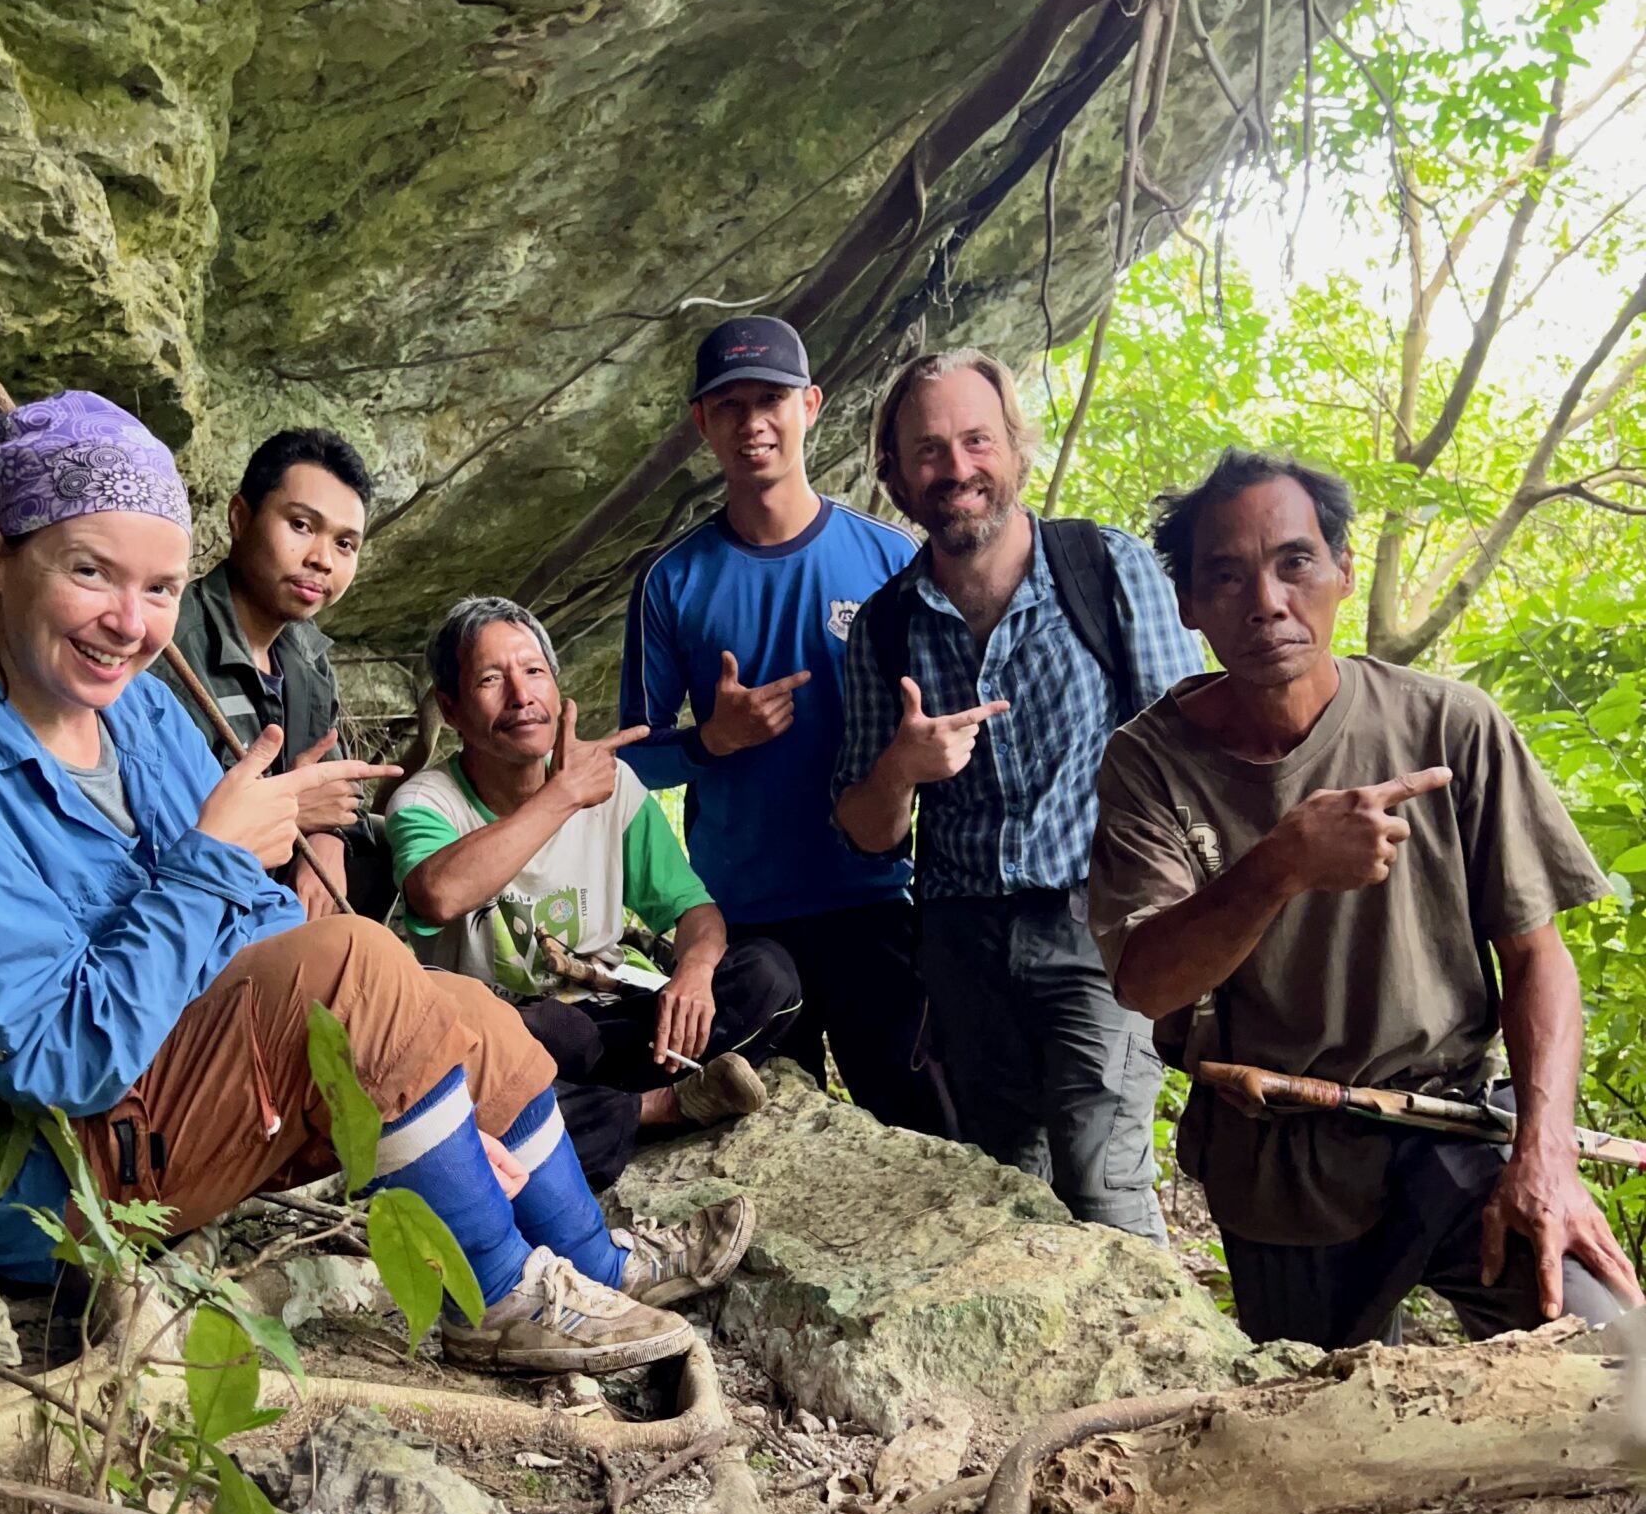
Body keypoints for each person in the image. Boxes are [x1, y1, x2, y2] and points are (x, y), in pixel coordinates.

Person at [0, 393, 753, 1376]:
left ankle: (591, 1261)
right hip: (50, 1178)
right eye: (90, 572)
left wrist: (425, 1091)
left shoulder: (135, 718)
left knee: (461, 1007)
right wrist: (213, 862)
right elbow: (57, 1060)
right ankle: (500, 1299)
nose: (131, 624)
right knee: (358, 961)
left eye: (162, 589)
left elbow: (259, 921)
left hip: (176, 1091)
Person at [1087, 446, 1641, 1347]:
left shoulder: (1449, 727)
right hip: (1279, 1153)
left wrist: (1547, 1149)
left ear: (1343, 571)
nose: (1266, 601)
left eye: (1294, 561)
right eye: (1225, 575)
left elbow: (1538, 956)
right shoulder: (1151, 763)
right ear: (1187, 605)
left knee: (1614, 1351)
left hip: (1461, 1127)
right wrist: (1281, 863)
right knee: (1309, 1420)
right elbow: (1148, 983)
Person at [834, 346, 1203, 1237]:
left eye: (976, 440)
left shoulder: (1104, 571)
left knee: (1105, 1189)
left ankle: (1163, 1376)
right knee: (1006, 1195)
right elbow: (867, 831)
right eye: (928, 451)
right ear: (892, 475)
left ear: (1016, 450)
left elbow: (1193, 754)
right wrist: (902, 770)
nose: (956, 468)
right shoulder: (884, 628)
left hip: (1100, 925)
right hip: (961, 947)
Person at [617, 316, 951, 1135]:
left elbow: (940, 738)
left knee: (925, 1132)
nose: (751, 423)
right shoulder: (673, 581)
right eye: (728, 405)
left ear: (811, 405)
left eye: (770, 399)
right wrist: (709, 740)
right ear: (702, 424)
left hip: (876, 901)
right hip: (749, 923)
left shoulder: (889, 560)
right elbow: (631, 764)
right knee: (758, 1136)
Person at [387, 598, 801, 1191]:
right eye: (489, 679)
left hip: (622, 1022)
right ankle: (661, 1109)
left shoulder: (615, 787)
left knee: (769, 976)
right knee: (479, 1084)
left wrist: (696, 971)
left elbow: (693, 910)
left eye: (534, 672)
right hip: (513, 1040)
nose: (520, 695)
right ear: (450, 709)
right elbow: (438, 896)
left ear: (557, 689)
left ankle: (610, 1109)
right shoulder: (429, 803)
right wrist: (561, 796)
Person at [152, 426, 393, 918]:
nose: (321, 560)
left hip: (277, 897)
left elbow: (336, 785)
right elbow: (153, 816)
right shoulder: (169, 647)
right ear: (240, 518)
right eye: (301, 525)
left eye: (345, 544)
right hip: (191, 904)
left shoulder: (306, 655)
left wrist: (326, 837)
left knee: (385, 849)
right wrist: (294, 813)